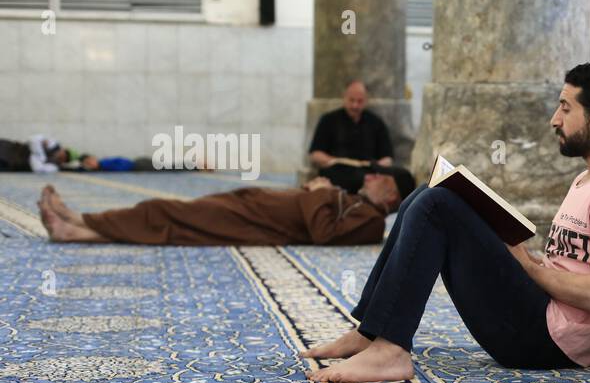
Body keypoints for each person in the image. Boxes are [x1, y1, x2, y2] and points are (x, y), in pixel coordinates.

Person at [300, 62, 590, 383]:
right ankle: (371, 331)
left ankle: (391, 351)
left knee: (436, 206)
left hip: (548, 339)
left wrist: (528, 267)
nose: (555, 119)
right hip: (540, 307)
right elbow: (572, 263)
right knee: (426, 194)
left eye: (566, 109)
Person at [35, 173, 407, 246]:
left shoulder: (371, 223)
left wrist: (318, 191)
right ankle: (77, 232)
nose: (371, 175)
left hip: (257, 222)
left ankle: (78, 219)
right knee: (177, 223)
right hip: (249, 207)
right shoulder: (359, 204)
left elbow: (323, 232)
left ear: (390, 197)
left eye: (380, 178)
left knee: (162, 211)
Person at [308, 80, 412, 194]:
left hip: (370, 169)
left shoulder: (376, 122)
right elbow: (315, 154)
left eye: (360, 101)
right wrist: (334, 161)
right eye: (351, 100)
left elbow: (387, 157)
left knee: (404, 176)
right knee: (350, 178)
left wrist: (378, 170)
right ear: (344, 98)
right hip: (340, 170)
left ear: (366, 100)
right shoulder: (328, 120)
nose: (355, 105)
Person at [0, 135, 98, 172]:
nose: (61, 156)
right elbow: (33, 140)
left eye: (65, 158)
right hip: (8, 148)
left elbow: (37, 168)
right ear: (63, 149)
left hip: (10, 163)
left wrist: (37, 154)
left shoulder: (54, 166)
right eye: (64, 153)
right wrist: (40, 155)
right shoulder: (52, 144)